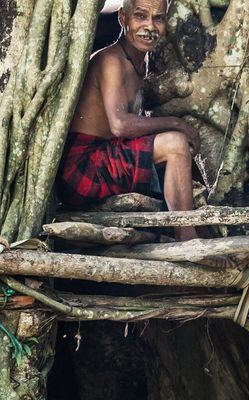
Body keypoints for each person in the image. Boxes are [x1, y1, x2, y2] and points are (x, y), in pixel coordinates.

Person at [57, 0, 202, 243]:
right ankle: (186, 236)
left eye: (158, 18)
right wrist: (177, 124)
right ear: (123, 18)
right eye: (141, 16)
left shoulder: (139, 63)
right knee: (175, 143)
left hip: (105, 158)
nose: (150, 26)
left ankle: (202, 233)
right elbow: (120, 125)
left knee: (184, 153)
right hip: (82, 169)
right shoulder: (111, 60)